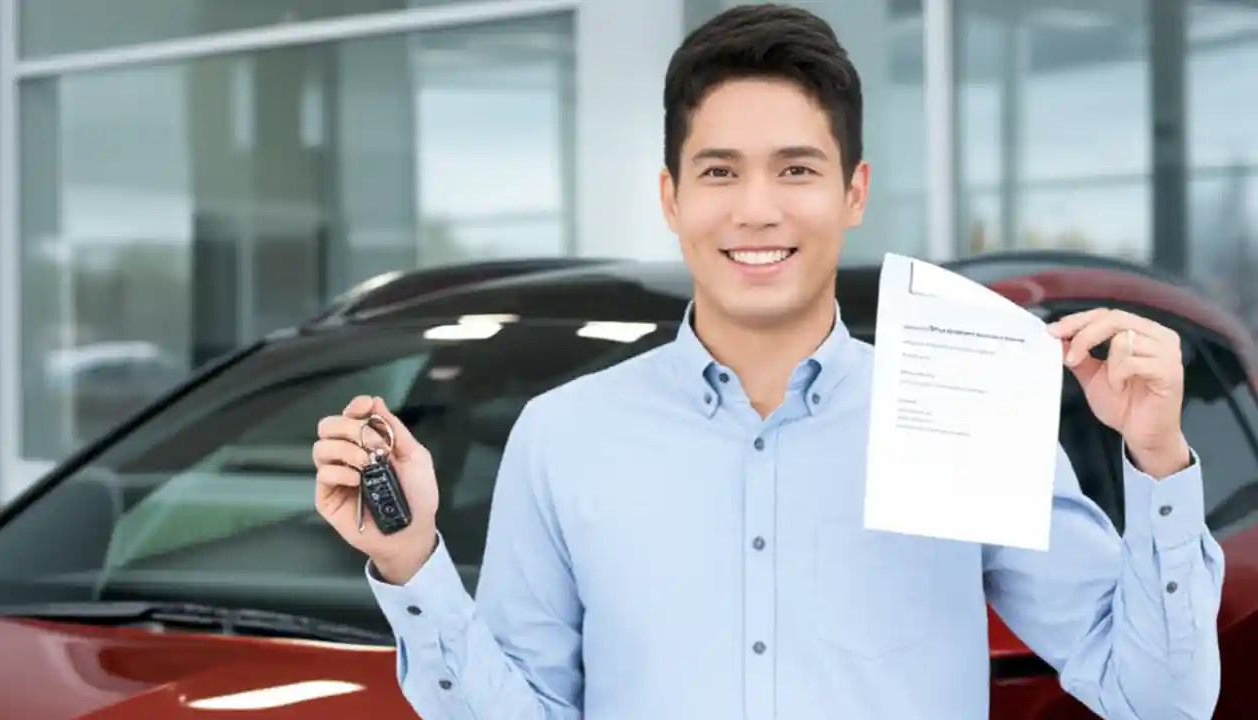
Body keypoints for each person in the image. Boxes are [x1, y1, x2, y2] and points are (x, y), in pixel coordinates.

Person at [311, 4, 1224, 718]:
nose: (757, 210)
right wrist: (409, 559)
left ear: (853, 191)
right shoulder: (564, 437)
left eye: (795, 169)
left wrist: (1156, 460)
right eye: (718, 172)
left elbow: (1158, 699)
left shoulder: (964, 407)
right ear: (670, 197)